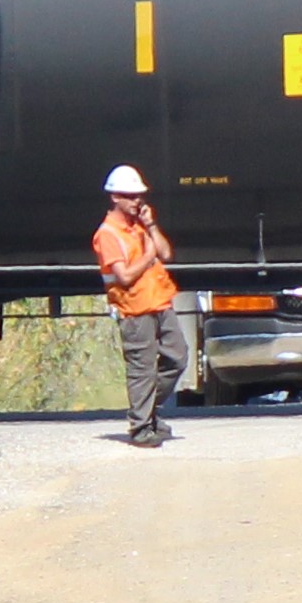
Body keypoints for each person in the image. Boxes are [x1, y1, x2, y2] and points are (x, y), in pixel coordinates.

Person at [94, 166, 181, 447]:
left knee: (178, 358)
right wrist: (148, 255)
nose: (137, 201)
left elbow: (166, 253)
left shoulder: (140, 227)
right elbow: (124, 276)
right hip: (134, 310)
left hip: (159, 303)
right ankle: (141, 427)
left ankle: (148, 411)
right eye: (130, 196)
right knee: (142, 369)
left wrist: (151, 226)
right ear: (114, 197)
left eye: (139, 195)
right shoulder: (108, 234)